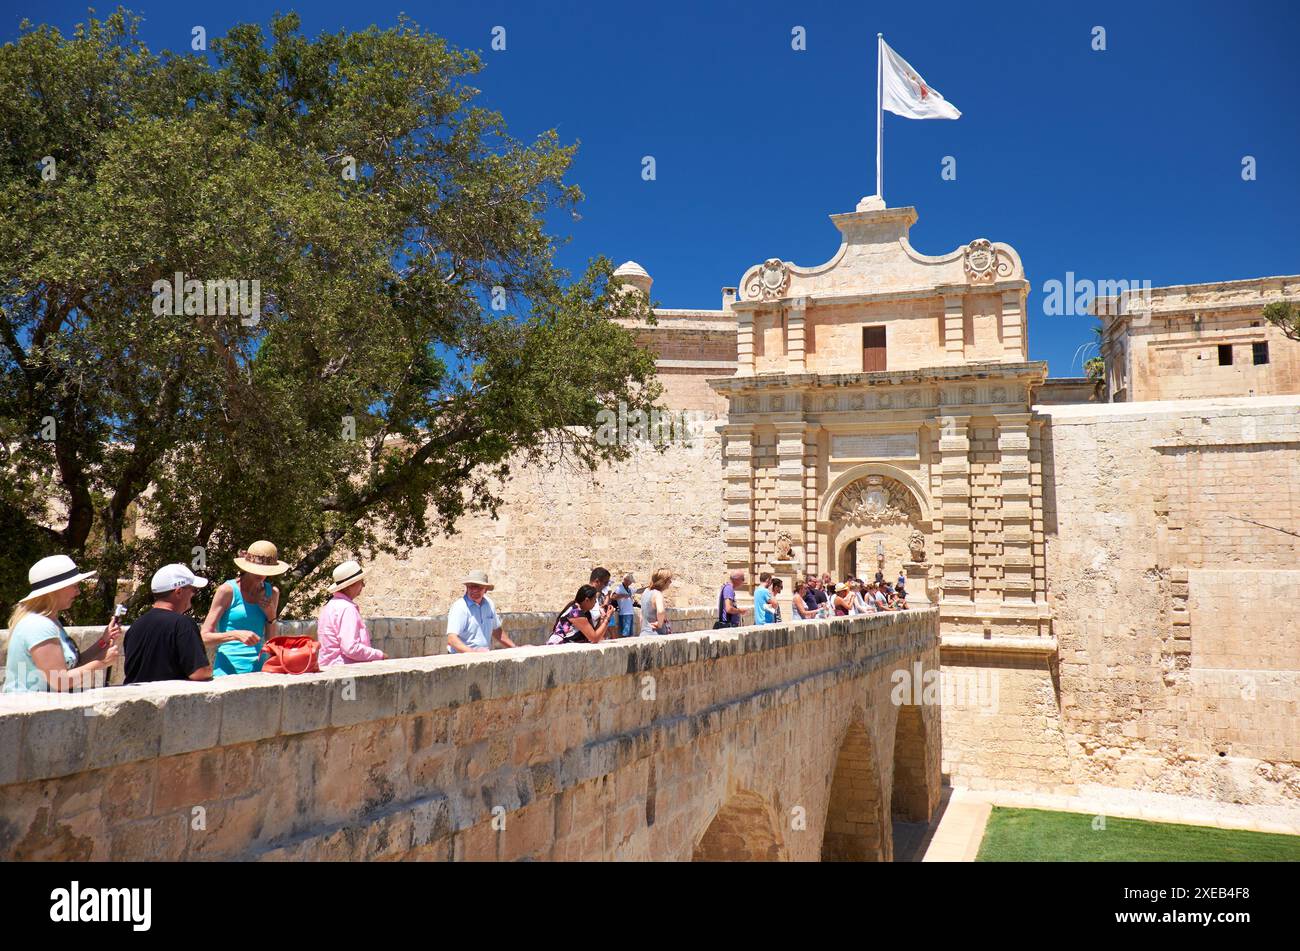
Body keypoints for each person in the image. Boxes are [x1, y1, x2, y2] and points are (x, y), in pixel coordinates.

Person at [3, 555, 120, 693]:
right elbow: (60, 681)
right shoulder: (39, 626)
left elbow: (72, 666)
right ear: (55, 590)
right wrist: (101, 662)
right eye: (74, 586)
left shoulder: (49, 621)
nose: (78, 592)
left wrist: (103, 642)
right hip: (32, 710)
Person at [202, 540, 286, 677]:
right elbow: (204, 637)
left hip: (258, 671)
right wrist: (235, 635)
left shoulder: (273, 593)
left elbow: (271, 642)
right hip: (226, 672)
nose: (261, 574)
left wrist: (271, 616)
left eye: (266, 570)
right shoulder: (227, 591)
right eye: (257, 569)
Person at [123, 564, 212, 684]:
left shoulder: (136, 626)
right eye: (193, 590)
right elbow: (199, 673)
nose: (193, 595)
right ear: (179, 592)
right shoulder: (183, 624)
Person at [317, 560, 385, 667]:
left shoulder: (330, 606)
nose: (363, 585)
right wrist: (379, 655)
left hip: (328, 667)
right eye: (360, 581)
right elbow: (350, 648)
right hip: (343, 672)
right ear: (351, 585)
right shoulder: (347, 608)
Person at [447, 570, 517, 653]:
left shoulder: (489, 604)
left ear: (486, 590)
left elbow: (496, 630)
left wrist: (515, 648)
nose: (474, 590)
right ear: (467, 588)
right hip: (462, 658)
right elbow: (452, 639)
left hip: (481, 656)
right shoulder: (460, 607)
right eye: (471, 586)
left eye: (479, 587)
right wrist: (474, 653)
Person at [546, 585, 616, 645]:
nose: (595, 603)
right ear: (587, 600)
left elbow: (595, 634)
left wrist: (602, 619)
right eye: (594, 600)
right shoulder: (575, 613)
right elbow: (594, 638)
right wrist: (607, 619)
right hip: (559, 646)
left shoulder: (586, 613)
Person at [640, 569, 673, 636]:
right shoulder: (657, 594)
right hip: (655, 634)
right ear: (664, 581)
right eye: (669, 580)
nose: (671, 582)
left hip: (644, 633)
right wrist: (659, 624)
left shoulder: (645, 592)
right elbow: (660, 611)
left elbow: (641, 616)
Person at [611, 572, 638, 638]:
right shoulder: (619, 588)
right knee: (625, 634)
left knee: (630, 634)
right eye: (630, 581)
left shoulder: (629, 589)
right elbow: (613, 596)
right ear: (626, 580)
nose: (631, 583)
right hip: (624, 613)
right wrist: (623, 595)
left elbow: (638, 590)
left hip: (630, 613)